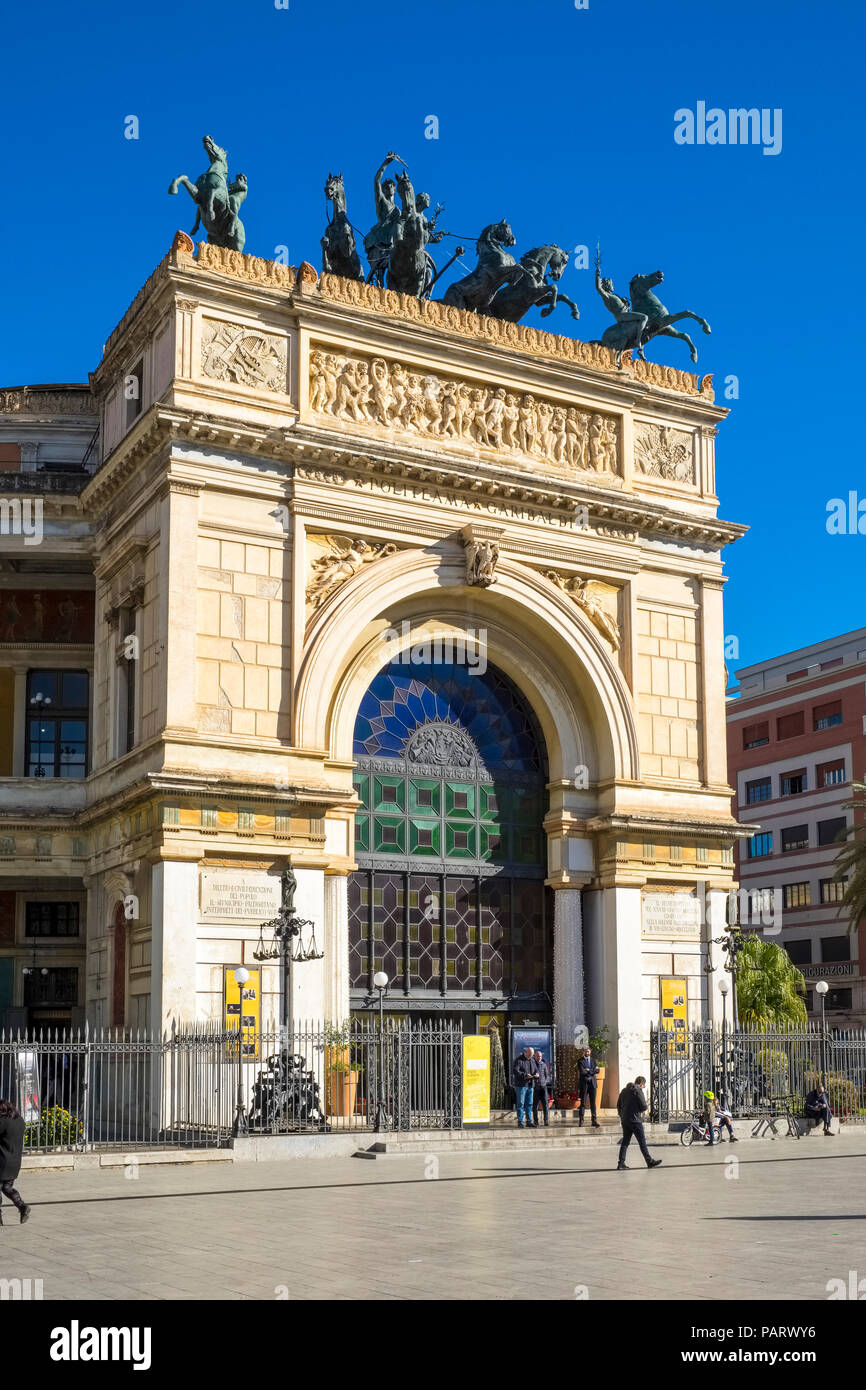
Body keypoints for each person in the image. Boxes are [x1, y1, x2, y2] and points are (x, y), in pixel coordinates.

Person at [616, 1075, 662, 1170]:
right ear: (641, 1084)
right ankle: (649, 1161)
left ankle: (621, 1163)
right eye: (644, 1086)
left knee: (625, 1142)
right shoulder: (638, 1091)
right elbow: (644, 1106)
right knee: (642, 1142)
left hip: (625, 1120)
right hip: (636, 1121)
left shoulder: (624, 1091)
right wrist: (638, 1111)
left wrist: (622, 1115)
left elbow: (618, 1105)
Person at [0, 1098, 31, 1226]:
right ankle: (22, 1206)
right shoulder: (20, 1121)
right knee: (7, 1187)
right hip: (15, 1161)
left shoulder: (3, 1122)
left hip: (2, 1160)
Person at [512, 1047, 539, 1130]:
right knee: (520, 1104)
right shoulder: (518, 1060)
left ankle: (529, 1121)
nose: (531, 1056)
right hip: (521, 1085)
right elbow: (515, 1071)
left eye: (532, 1055)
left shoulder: (532, 1060)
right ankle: (520, 1122)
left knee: (529, 1104)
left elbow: (535, 1070)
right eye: (529, 1054)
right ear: (526, 1052)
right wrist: (525, 1075)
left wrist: (537, 1074)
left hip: (530, 1085)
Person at [577, 1046, 601, 1129]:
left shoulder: (593, 1060)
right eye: (586, 1051)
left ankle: (594, 1120)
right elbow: (582, 1071)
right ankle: (581, 1119)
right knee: (583, 1102)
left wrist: (588, 1070)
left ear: (590, 1052)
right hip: (584, 1084)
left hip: (593, 1084)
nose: (587, 1052)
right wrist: (592, 1071)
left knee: (593, 1103)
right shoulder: (580, 1061)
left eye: (588, 1051)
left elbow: (598, 1070)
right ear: (584, 1052)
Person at [532, 1049, 551, 1128]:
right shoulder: (532, 1064)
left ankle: (546, 1120)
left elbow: (546, 1075)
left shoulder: (543, 1064)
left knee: (545, 1104)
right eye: (537, 1056)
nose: (539, 1058)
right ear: (535, 1056)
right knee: (535, 1105)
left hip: (543, 1087)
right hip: (535, 1087)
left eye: (540, 1056)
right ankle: (536, 1121)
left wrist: (544, 1082)